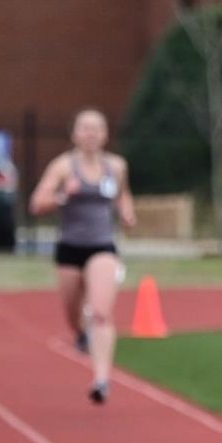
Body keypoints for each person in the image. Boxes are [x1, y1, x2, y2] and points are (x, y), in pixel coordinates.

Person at [29, 108, 136, 404]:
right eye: (85, 128)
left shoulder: (116, 166)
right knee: (73, 314)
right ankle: (79, 333)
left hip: (102, 246)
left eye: (97, 128)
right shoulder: (63, 167)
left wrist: (126, 211)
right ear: (74, 134)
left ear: (105, 134)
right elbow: (37, 204)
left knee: (101, 312)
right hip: (70, 249)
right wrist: (64, 195)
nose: (91, 134)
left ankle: (101, 380)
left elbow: (122, 194)